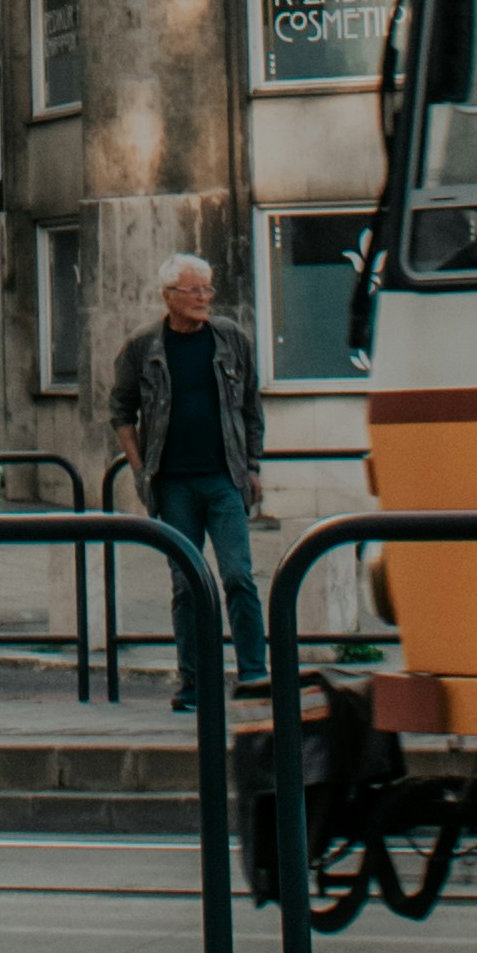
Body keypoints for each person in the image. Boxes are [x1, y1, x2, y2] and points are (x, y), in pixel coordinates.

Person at [115, 253, 269, 708]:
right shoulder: (144, 346)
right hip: (173, 483)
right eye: (195, 290)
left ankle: (254, 675)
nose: (205, 298)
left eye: (208, 289)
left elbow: (251, 408)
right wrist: (142, 470)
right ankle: (195, 684)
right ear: (169, 297)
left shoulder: (231, 339)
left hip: (225, 479)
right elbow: (120, 411)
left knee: (239, 576)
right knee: (186, 585)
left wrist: (254, 465)